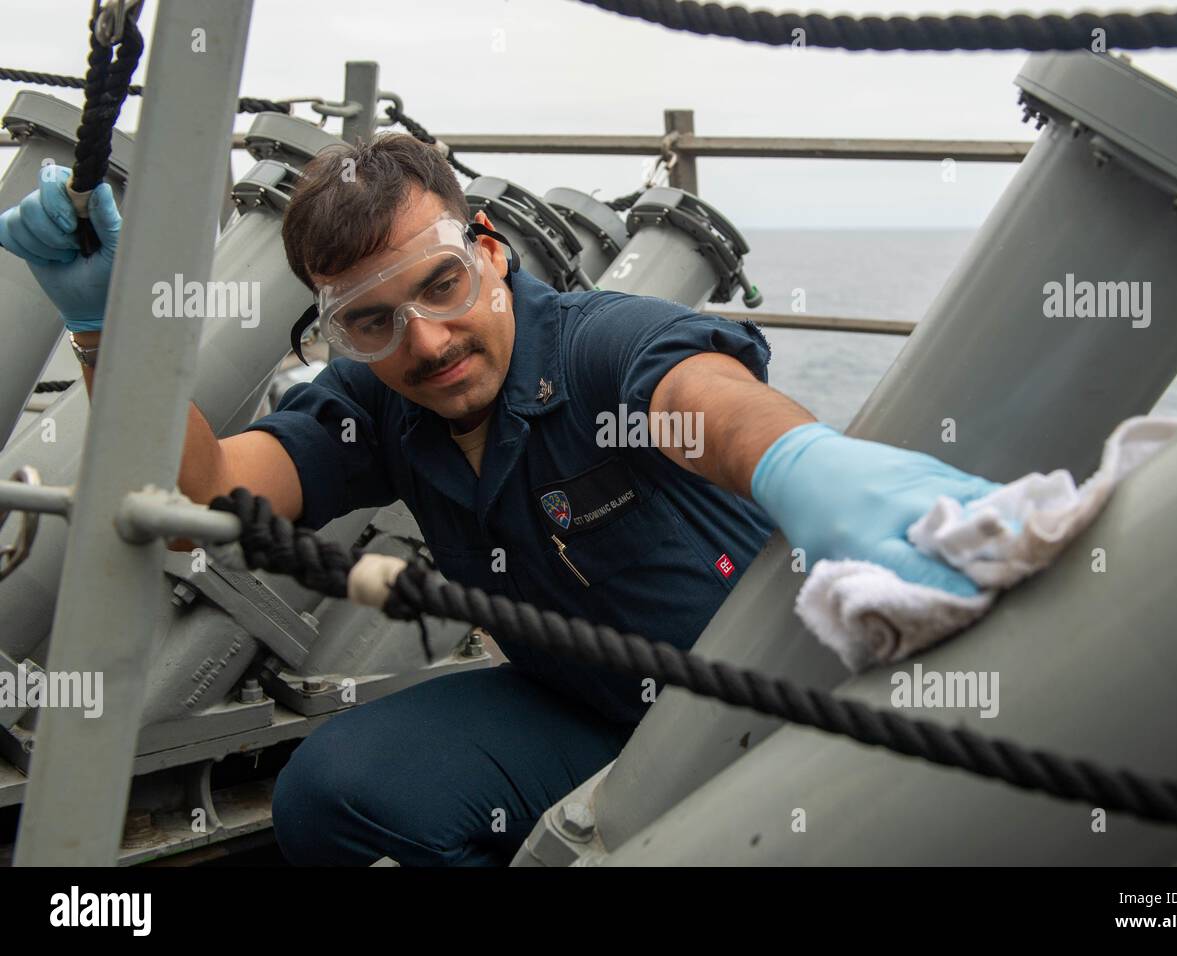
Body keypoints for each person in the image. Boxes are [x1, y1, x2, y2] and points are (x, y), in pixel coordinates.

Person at [0, 134, 1001, 865]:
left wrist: (800, 461)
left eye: (440, 283)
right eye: (372, 321)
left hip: (765, 725)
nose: (425, 342)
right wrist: (104, 320)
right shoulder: (377, 406)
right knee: (336, 795)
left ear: (490, 249)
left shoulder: (601, 343)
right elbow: (209, 484)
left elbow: (708, 402)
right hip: (586, 711)